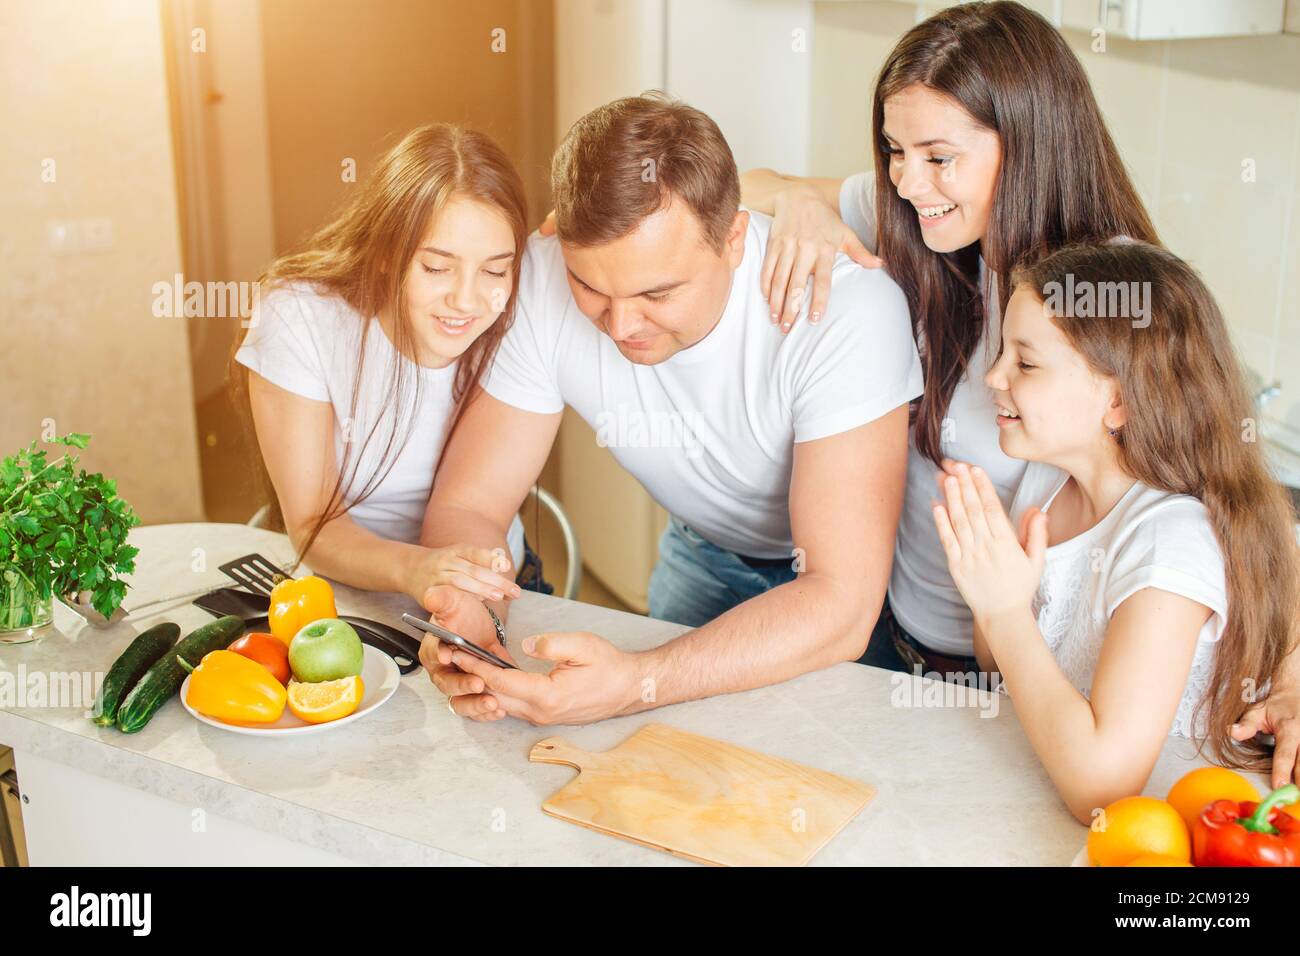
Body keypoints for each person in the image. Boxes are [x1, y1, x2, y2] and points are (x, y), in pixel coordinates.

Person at [417, 93, 922, 725]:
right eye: (591, 287)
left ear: (734, 238)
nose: (622, 324)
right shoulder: (542, 277)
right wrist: (470, 615)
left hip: (845, 589)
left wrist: (636, 681)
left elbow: (840, 601)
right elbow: (471, 504)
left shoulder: (846, 309)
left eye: (658, 292)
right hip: (701, 551)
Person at [932, 241, 1299, 820]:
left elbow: (1102, 792)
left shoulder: (1170, 539)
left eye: (1025, 363)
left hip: (1163, 839)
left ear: (1119, 401)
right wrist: (992, 590)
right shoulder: (1046, 483)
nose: (994, 376)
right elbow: (999, 666)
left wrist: (1003, 610)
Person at [233, 124, 536, 609]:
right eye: (436, 267)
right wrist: (418, 569)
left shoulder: (526, 312)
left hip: (488, 583)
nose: (466, 300)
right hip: (347, 589)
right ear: (385, 252)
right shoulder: (299, 315)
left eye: (496, 270)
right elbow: (313, 523)